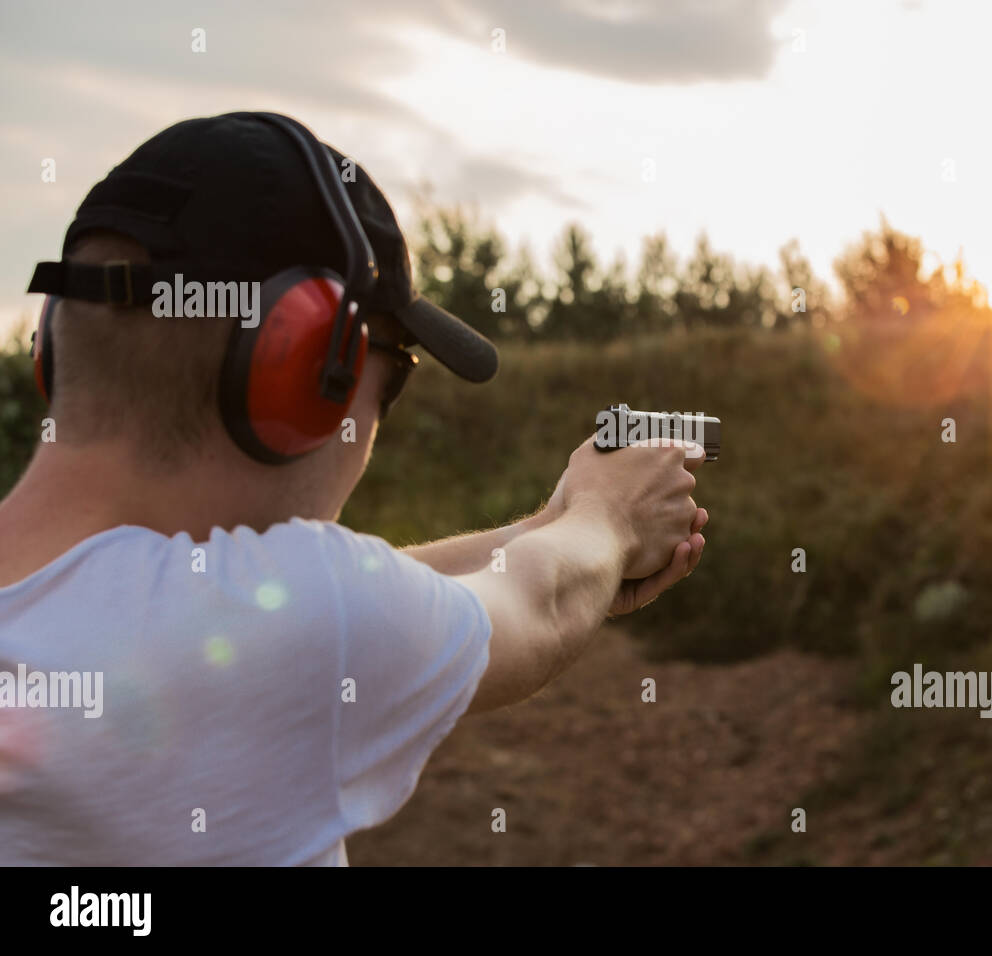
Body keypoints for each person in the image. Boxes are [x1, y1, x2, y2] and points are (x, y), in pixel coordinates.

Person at [0, 112, 707, 865]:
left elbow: (316, 597)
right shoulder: (308, 617)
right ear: (303, 372)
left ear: (54, 345)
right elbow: (539, 607)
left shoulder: (209, 617)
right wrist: (610, 516)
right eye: (394, 373)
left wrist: (554, 522)